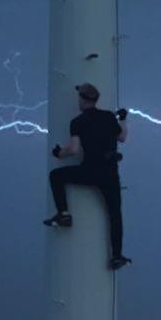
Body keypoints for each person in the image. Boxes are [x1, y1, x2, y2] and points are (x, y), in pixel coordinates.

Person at [46, 82, 128, 268]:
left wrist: (59, 153)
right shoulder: (109, 117)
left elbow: (73, 149)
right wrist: (123, 119)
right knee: (115, 214)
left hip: (90, 171)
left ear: (83, 100)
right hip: (110, 173)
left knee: (56, 176)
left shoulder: (77, 122)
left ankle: (64, 214)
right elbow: (122, 137)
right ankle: (116, 256)